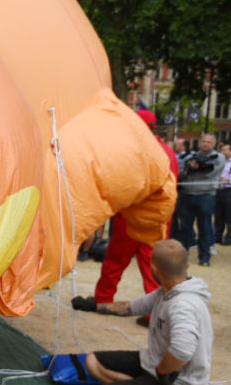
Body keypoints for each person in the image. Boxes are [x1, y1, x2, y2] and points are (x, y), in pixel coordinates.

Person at [77, 239, 213, 385]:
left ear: (154, 269)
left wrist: (161, 371)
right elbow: (130, 307)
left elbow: (182, 351)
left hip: (177, 382)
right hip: (156, 364)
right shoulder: (166, 291)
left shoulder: (182, 305)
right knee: (92, 361)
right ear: (187, 265)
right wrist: (94, 306)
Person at [73, 110, 179, 309]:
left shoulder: (135, 150)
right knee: (153, 266)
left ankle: (103, 299)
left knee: (114, 261)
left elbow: (123, 182)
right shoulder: (168, 151)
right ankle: (154, 312)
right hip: (157, 220)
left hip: (131, 217)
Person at [173, 132, 224, 266]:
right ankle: (182, 257)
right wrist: (192, 167)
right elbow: (182, 171)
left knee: (205, 227)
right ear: (200, 142)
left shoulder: (219, 157)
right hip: (187, 195)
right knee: (184, 228)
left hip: (205, 196)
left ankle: (204, 257)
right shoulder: (190, 155)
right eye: (203, 141)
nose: (205, 144)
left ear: (214, 144)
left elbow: (208, 171)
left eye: (209, 142)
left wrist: (195, 167)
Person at [214, 142, 231, 245]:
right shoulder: (220, 162)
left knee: (229, 216)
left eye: (225, 150)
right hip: (219, 190)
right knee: (218, 215)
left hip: (229, 190)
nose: (222, 152)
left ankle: (229, 238)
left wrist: (227, 179)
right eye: (222, 150)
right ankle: (217, 236)